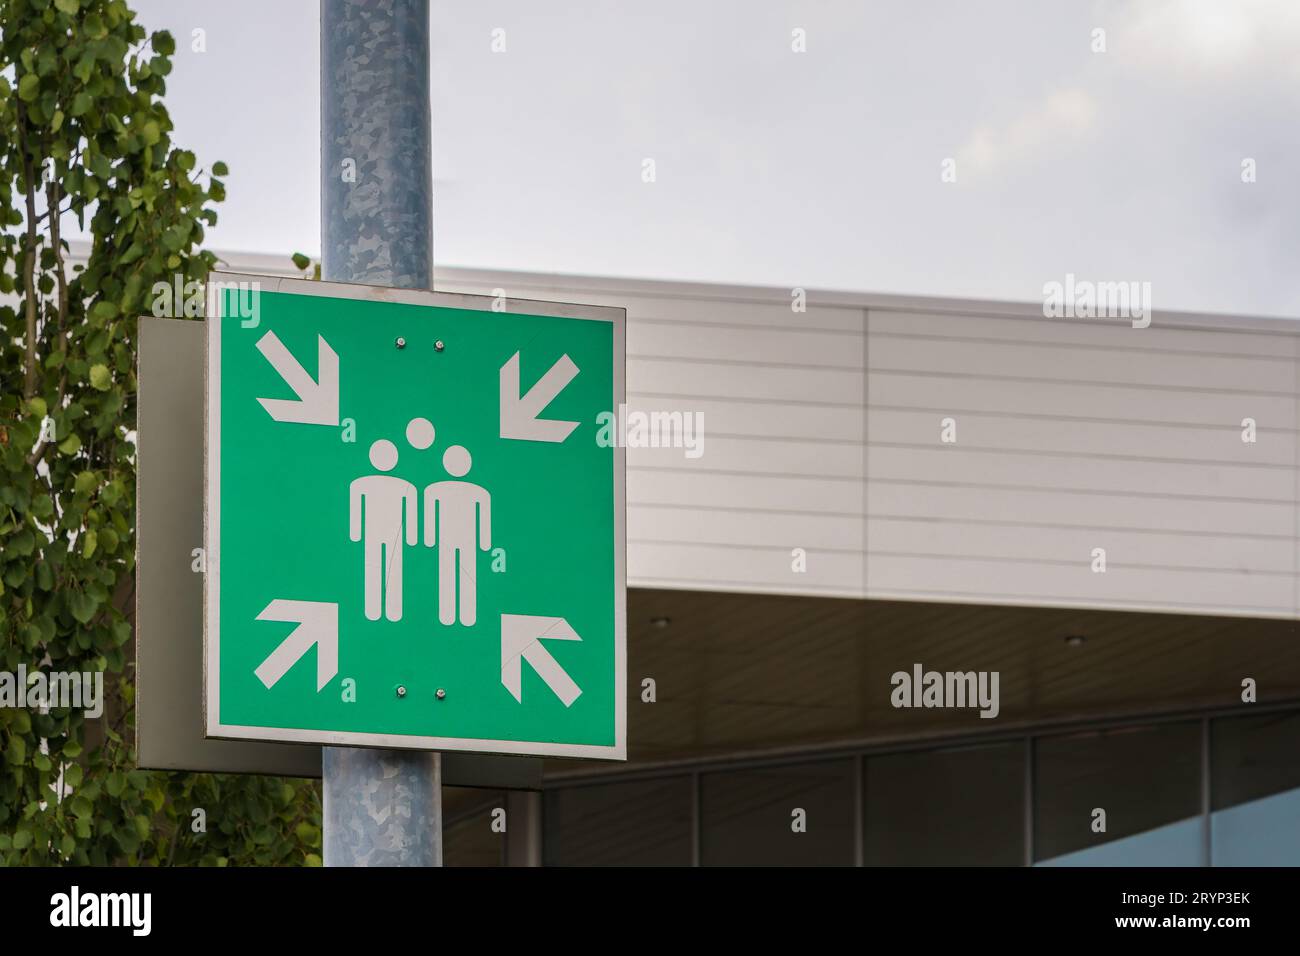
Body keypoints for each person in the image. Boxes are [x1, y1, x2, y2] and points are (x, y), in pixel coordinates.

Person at [349, 439, 418, 622]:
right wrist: (355, 533)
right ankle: (374, 609)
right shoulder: (363, 483)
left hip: (390, 534)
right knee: (378, 568)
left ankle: (391, 610)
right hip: (375, 533)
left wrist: (411, 536)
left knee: (391, 570)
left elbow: (410, 508)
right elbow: (356, 503)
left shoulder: (404, 486)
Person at [424, 445, 491, 626]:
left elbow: (483, 517)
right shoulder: (436, 489)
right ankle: (450, 614)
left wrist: (429, 538)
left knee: (461, 573)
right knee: (450, 573)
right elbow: (430, 512)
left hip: (462, 539)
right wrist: (429, 538)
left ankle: (463, 615)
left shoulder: (476, 492)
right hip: (451, 539)